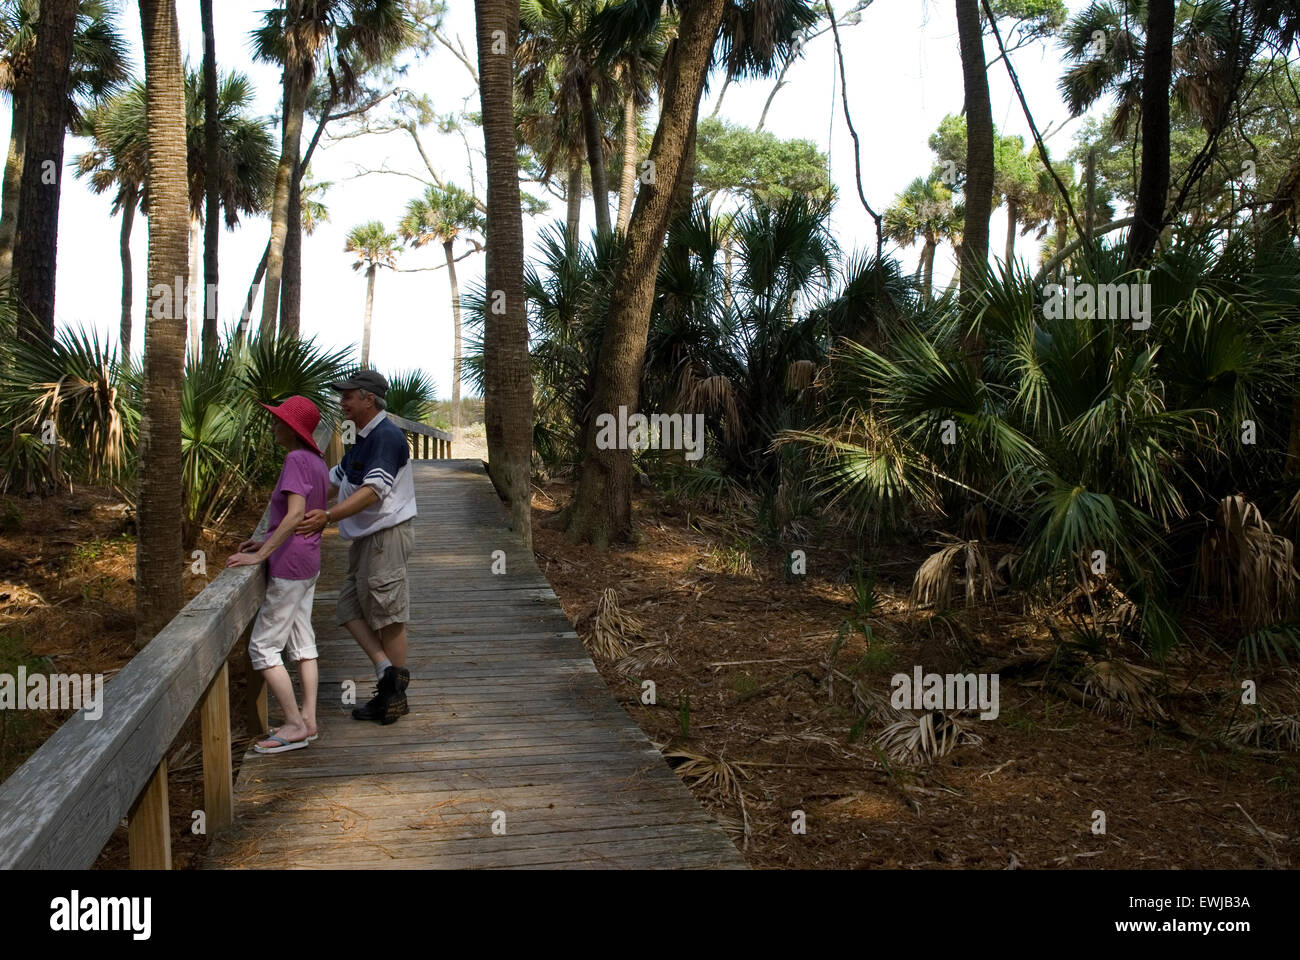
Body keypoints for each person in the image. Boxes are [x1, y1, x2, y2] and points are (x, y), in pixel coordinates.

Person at [297, 370, 415, 725]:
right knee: (349, 607)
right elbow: (336, 479)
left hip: (385, 537)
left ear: (368, 399)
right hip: (366, 538)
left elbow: (373, 491)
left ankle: (394, 698)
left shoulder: (386, 436)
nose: (342, 401)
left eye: (348, 396)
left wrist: (328, 517)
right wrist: (291, 507)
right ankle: (388, 676)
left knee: (387, 615)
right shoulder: (364, 438)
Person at [226, 395, 330, 753]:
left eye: (277, 422)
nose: (273, 427)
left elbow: (295, 513)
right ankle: (309, 719)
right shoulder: (317, 461)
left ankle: (294, 724)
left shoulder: (294, 459)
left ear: (291, 428)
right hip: (309, 563)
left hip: (288, 565)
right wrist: (262, 541)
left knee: (263, 648)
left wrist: (263, 555)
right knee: (303, 642)